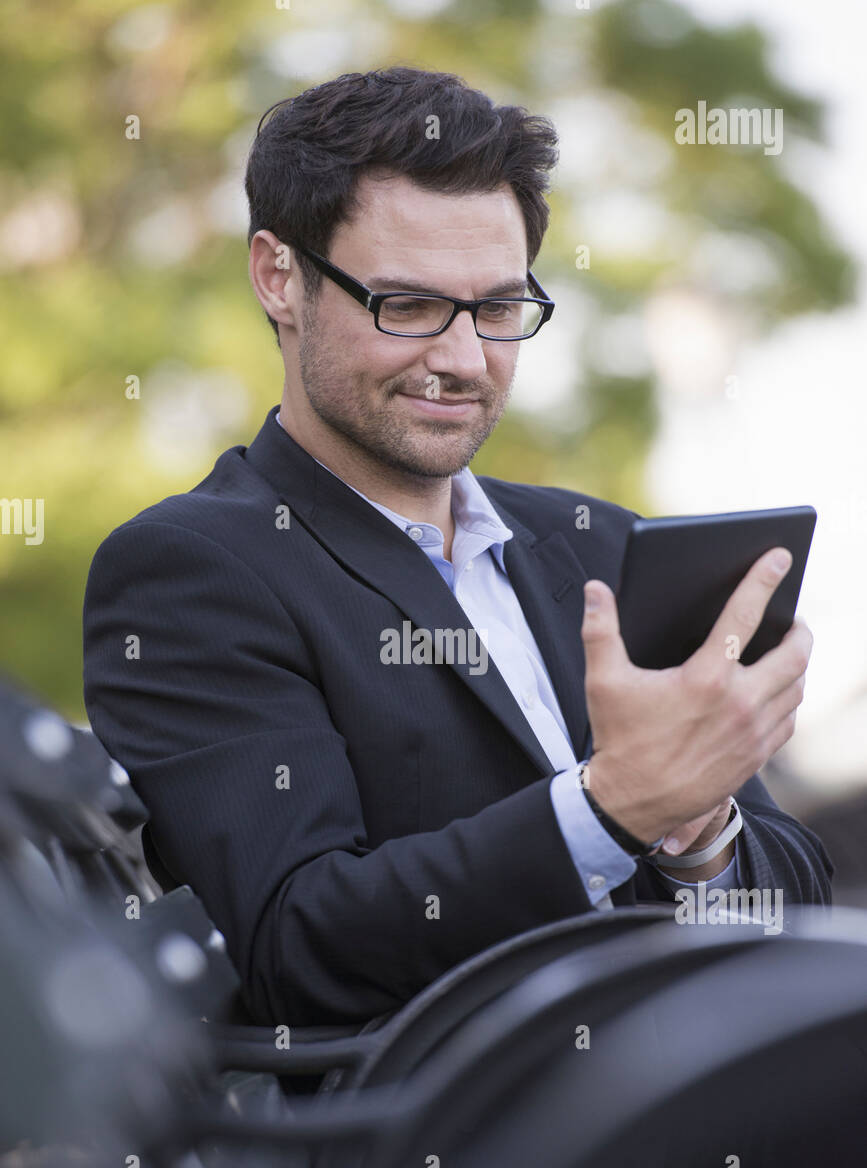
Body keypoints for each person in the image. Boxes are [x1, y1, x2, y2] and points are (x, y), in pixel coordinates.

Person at [82, 67, 831, 1034]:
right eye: (405, 306)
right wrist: (609, 812)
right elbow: (295, 945)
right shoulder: (191, 570)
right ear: (280, 279)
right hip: (470, 1159)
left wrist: (696, 831)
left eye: (497, 309)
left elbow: (794, 908)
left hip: (705, 1102)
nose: (464, 359)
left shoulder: (596, 544)